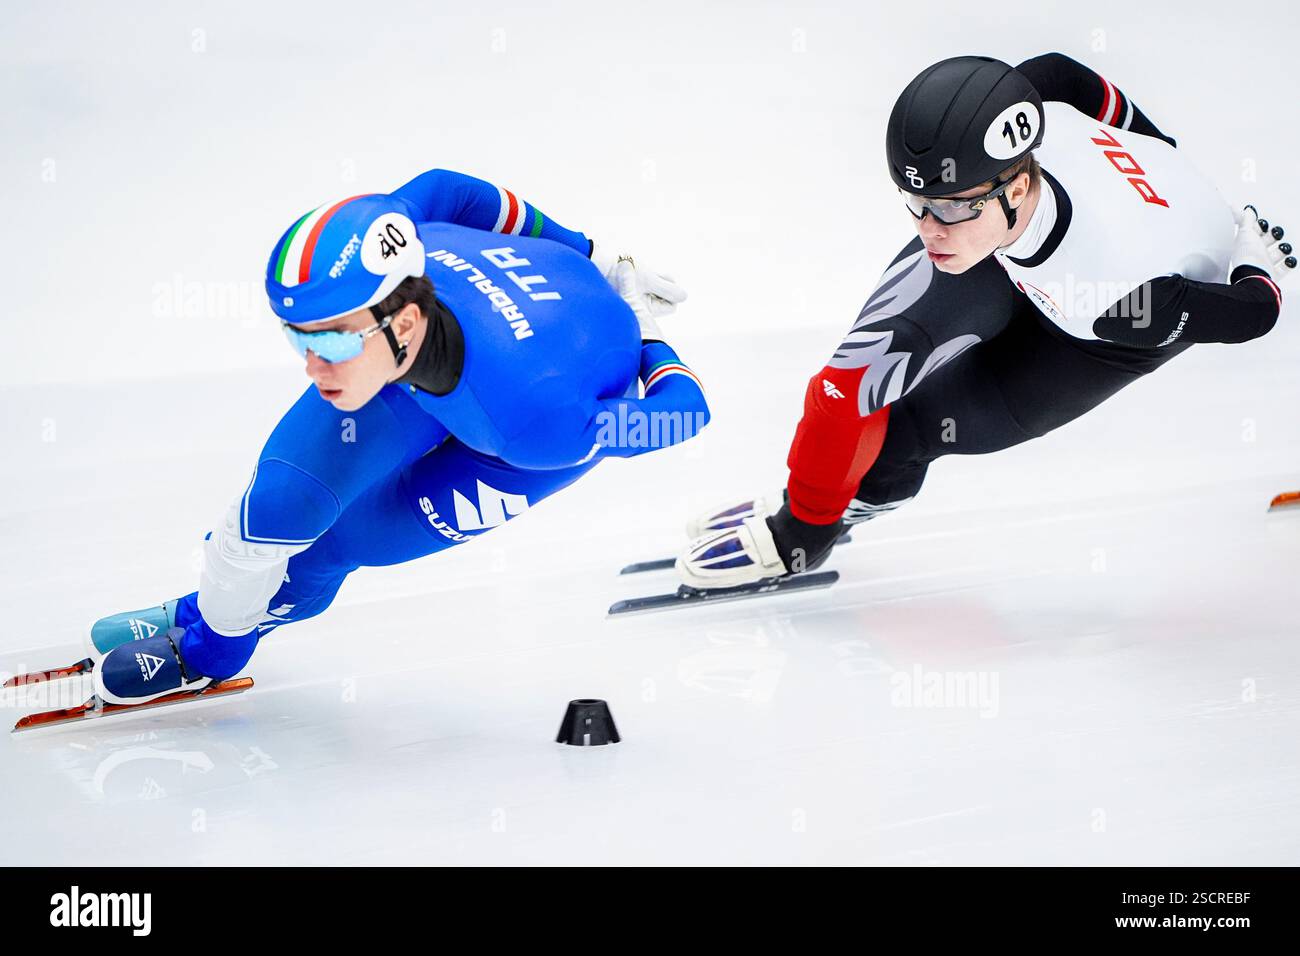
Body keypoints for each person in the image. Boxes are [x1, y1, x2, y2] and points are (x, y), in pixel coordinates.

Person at [89, 169, 709, 705]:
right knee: (280, 505)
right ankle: (213, 616)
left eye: (330, 341)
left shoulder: (540, 423)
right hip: (436, 362)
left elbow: (684, 413)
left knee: (341, 543)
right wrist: (590, 250)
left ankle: (215, 652)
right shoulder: (395, 241)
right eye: (298, 337)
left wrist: (644, 329)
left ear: (403, 320)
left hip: (527, 405)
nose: (312, 365)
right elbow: (451, 188)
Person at [679, 53, 1292, 587]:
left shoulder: (1124, 298)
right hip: (1013, 246)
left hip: (1096, 333)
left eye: (946, 206)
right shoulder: (1014, 133)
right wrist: (1155, 147)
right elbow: (1056, 71)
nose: (927, 229)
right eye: (914, 203)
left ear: (1021, 185)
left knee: (914, 431)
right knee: (858, 380)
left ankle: (840, 513)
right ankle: (813, 513)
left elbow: (1253, 317)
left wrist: (1254, 273)